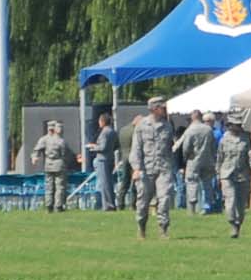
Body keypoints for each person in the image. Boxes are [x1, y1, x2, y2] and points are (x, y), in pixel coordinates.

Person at [128, 97, 176, 239]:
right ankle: (141, 227)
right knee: (143, 201)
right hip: (145, 169)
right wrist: (136, 168)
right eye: (162, 107)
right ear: (154, 109)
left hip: (163, 168)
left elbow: (169, 149)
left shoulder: (167, 126)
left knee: (164, 198)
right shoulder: (142, 125)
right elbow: (136, 149)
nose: (165, 109)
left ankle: (163, 229)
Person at [216, 112, 251, 239]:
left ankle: (238, 225)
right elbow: (219, 158)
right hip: (227, 174)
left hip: (242, 175)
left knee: (241, 205)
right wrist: (218, 174)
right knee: (230, 200)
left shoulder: (246, 138)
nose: (238, 127)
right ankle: (232, 222)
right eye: (236, 125)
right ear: (230, 125)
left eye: (239, 125)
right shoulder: (224, 139)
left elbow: (250, 156)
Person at [176, 111, 215, 215]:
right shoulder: (208, 129)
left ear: (192, 118)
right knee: (207, 183)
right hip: (208, 159)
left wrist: (185, 158)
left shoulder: (190, 130)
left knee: (192, 182)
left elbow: (186, 147)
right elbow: (213, 145)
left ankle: (192, 207)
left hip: (194, 159)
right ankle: (207, 207)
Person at [32, 120, 72, 212]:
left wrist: (34, 157)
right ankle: (58, 206)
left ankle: (49, 206)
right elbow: (65, 154)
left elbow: (36, 150)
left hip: (48, 165)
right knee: (60, 186)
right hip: (59, 165)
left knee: (49, 186)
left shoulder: (44, 139)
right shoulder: (61, 141)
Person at [89, 112, 123, 211]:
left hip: (102, 159)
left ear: (103, 122)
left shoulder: (105, 132)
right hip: (110, 158)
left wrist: (93, 147)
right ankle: (111, 203)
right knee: (109, 183)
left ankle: (107, 205)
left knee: (104, 184)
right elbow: (117, 145)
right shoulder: (113, 131)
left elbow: (102, 147)